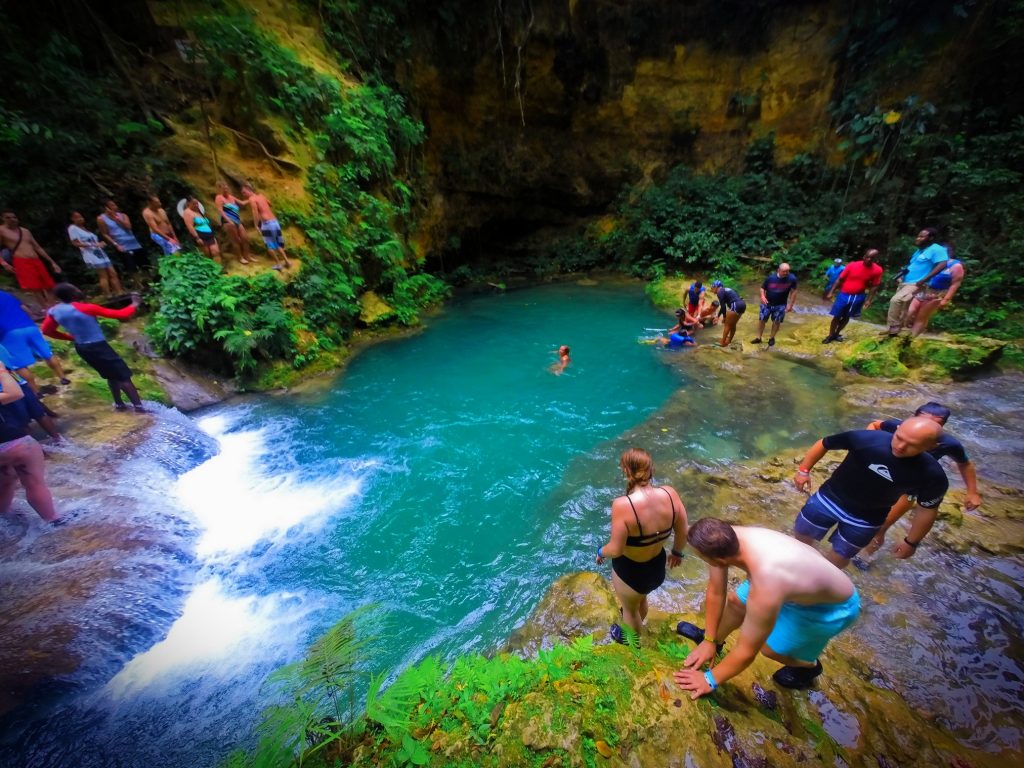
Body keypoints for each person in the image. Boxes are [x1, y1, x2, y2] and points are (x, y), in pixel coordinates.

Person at [673, 519, 860, 694]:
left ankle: (809, 667)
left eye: (702, 558)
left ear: (719, 561)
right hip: (793, 583)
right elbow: (716, 590)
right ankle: (716, 643)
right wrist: (709, 639)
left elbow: (747, 651)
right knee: (736, 602)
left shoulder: (765, 585)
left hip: (831, 606)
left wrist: (709, 679)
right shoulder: (724, 538)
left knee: (768, 648)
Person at [791, 417, 948, 569]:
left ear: (931, 446)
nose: (900, 446)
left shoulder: (932, 475)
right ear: (897, 429)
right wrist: (804, 471)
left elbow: (927, 510)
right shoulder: (867, 440)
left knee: (839, 557)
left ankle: (822, 580)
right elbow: (825, 443)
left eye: (912, 445)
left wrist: (911, 542)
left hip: (867, 519)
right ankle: (799, 567)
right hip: (829, 499)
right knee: (801, 539)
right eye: (899, 438)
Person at [595, 448, 687, 645]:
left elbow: (616, 549)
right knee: (640, 599)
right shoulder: (670, 494)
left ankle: (633, 645)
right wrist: (677, 552)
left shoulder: (622, 505)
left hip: (631, 572)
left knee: (629, 610)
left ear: (626, 471)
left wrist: (600, 551)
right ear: (650, 469)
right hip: (656, 568)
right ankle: (637, 625)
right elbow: (683, 529)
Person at [864, 403, 981, 555]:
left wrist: (972, 492)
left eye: (934, 425)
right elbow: (875, 425)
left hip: (908, 489)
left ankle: (863, 559)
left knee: (879, 526)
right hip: (884, 476)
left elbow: (965, 464)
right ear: (912, 419)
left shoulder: (947, 443)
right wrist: (866, 446)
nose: (925, 427)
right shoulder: (900, 428)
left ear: (942, 427)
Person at [41, 283, 147, 412]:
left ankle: (119, 404)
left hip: (82, 347)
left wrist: (70, 337)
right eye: (76, 288)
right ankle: (140, 408)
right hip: (98, 346)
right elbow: (121, 314)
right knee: (123, 377)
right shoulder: (86, 308)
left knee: (110, 375)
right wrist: (134, 304)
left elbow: (47, 330)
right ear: (73, 294)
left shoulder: (54, 311)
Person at [0, 360, 58, 522]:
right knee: (34, 482)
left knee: (5, 480)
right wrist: (2, 371)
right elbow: (15, 394)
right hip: (13, 442)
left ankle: (4, 516)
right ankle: (52, 519)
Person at [886, 228, 950, 337]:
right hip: (905, 281)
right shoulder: (920, 251)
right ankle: (896, 330)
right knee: (904, 306)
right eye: (918, 236)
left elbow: (942, 264)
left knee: (896, 300)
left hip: (916, 283)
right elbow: (913, 266)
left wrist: (924, 279)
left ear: (931, 238)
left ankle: (894, 326)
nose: (918, 238)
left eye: (921, 236)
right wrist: (901, 276)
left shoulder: (937, 249)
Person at [0, 290, 69, 391]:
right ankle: (63, 378)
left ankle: (35, 391)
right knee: (47, 353)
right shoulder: (4, 294)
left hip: (8, 332)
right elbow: (24, 307)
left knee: (19, 364)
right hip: (30, 326)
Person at [0, 211, 62, 309]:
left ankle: (52, 306)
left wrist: (52, 262)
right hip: (21, 260)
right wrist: (4, 263)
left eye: (14, 217)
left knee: (49, 285)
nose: (12, 219)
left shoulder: (25, 231)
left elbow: (37, 247)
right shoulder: (2, 231)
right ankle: (45, 308)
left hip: (36, 260)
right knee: (35, 287)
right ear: (3, 219)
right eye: (8, 218)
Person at [823, 249, 884, 343]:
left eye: (871, 258)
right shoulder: (852, 265)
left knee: (847, 316)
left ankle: (837, 333)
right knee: (837, 315)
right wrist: (831, 292)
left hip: (858, 296)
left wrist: (869, 300)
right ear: (864, 256)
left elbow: (874, 286)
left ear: (875, 259)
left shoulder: (877, 270)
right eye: (867, 257)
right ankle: (831, 335)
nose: (868, 259)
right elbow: (840, 279)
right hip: (844, 294)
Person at [0, 346, 60, 441]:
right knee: (40, 414)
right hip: (18, 382)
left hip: (4, 391)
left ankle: (37, 450)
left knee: (19, 423)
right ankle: (58, 439)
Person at [905, 252, 964, 337]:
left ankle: (911, 338)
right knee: (910, 311)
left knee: (922, 316)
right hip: (924, 289)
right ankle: (907, 326)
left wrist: (946, 299)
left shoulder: (956, 266)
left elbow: (955, 284)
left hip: (938, 293)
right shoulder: (933, 262)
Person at [68, 212, 123, 297]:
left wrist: (100, 243)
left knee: (113, 272)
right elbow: (76, 243)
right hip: (91, 254)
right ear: (72, 219)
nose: (80, 218)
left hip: (100, 251)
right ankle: (108, 295)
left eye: (81, 216)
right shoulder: (72, 228)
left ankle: (119, 292)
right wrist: (92, 245)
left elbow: (94, 241)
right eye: (77, 217)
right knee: (103, 275)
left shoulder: (85, 228)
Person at [241, 183, 290, 269]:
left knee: (269, 245)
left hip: (267, 224)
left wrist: (256, 225)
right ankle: (287, 261)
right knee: (277, 243)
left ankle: (278, 264)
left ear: (249, 190)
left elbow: (255, 213)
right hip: (274, 222)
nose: (243, 195)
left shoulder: (252, 199)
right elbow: (270, 204)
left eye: (244, 192)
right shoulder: (261, 196)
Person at [96, 199, 145, 285]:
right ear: (106, 208)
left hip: (133, 242)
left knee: (143, 263)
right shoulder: (101, 219)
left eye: (115, 205)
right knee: (131, 266)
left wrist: (117, 219)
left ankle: (148, 281)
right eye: (112, 206)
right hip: (121, 244)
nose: (115, 207)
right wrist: (116, 244)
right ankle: (139, 285)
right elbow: (104, 233)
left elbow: (129, 227)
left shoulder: (123, 215)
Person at [751, 263, 798, 347]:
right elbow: (762, 288)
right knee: (762, 320)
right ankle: (758, 338)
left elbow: (794, 291)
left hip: (781, 304)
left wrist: (790, 305)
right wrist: (762, 296)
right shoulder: (771, 278)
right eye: (784, 271)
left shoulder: (792, 279)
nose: (786, 273)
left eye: (788, 271)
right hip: (767, 303)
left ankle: (771, 338)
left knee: (776, 321)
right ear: (778, 270)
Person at [215, 181, 255, 266]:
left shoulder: (231, 197)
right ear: (220, 189)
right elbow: (220, 210)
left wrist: (252, 198)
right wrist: (229, 220)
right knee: (235, 240)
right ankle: (240, 258)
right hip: (227, 222)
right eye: (224, 188)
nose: (226, 190)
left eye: (227, 188)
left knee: (245, 238)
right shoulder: (219, 197)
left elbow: (242, 203)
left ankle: (247, 256)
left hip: (237, 220)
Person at [182, 197, 222, 263]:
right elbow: (190, 227)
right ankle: (211, 271)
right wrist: (197, 238)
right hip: (200, 235)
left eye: (197, 204)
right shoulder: (187, 212)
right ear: (188, 203)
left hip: (209, 234)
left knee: (216, 252)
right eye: (194, 204)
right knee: (207, 255)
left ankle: (219, 269)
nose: (196, 205)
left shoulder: (199, 212)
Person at [712, 281, 745, 347]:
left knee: (727, 324)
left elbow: (723, 306)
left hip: (736, 304)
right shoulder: (726, 290)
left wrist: (724, 317)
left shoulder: (719, 292)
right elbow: (723, 307)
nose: (711, 289)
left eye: (712, 287)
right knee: (733, 324)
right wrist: (718, 316)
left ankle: (722, 342)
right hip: (742, 304)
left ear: (716, 287)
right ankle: (729, 341)